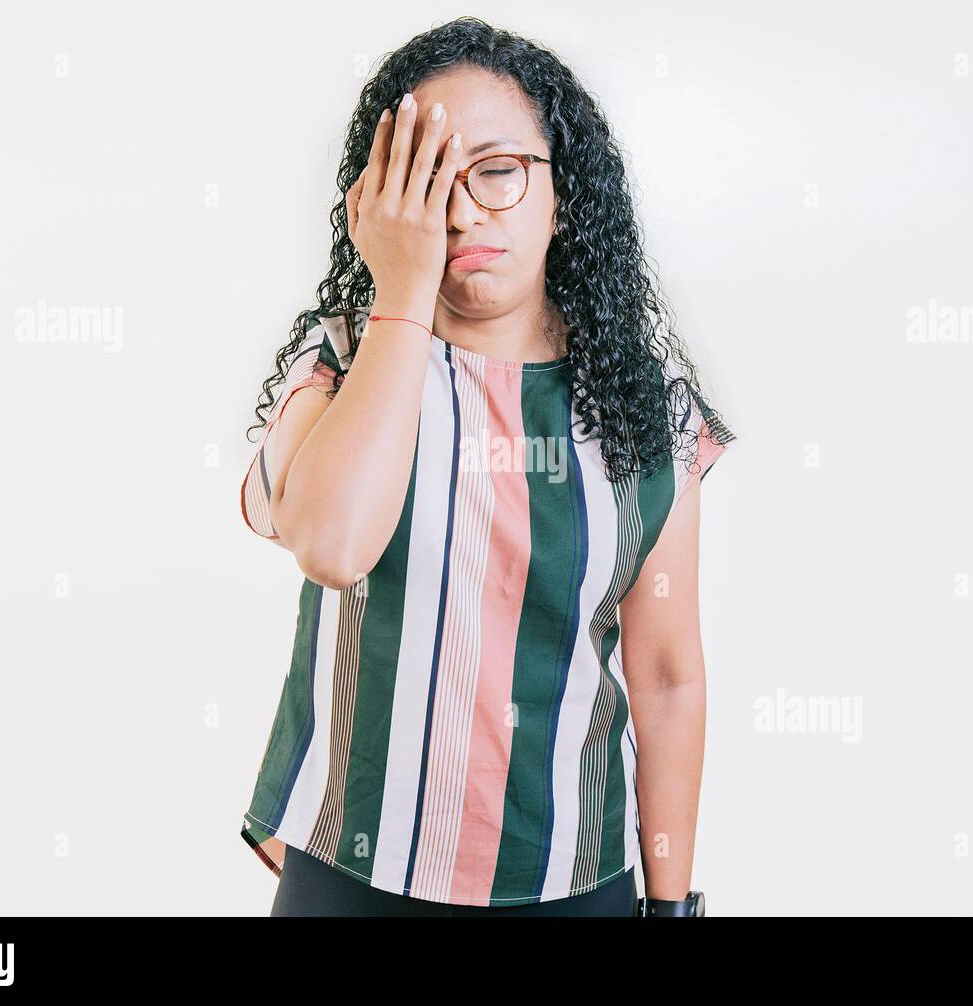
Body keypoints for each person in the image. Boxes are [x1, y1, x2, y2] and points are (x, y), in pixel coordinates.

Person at [239, 16, 734, 918]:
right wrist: (399, 297)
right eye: (427, 183)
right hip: (351, 876)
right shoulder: (339, 366)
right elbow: (333, 544)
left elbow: (668, 676)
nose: (463, 211)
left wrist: (671, 909)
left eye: (497, 171)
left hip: (570, 887)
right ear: (378, 202)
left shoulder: (647, 413)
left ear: (562, 189)